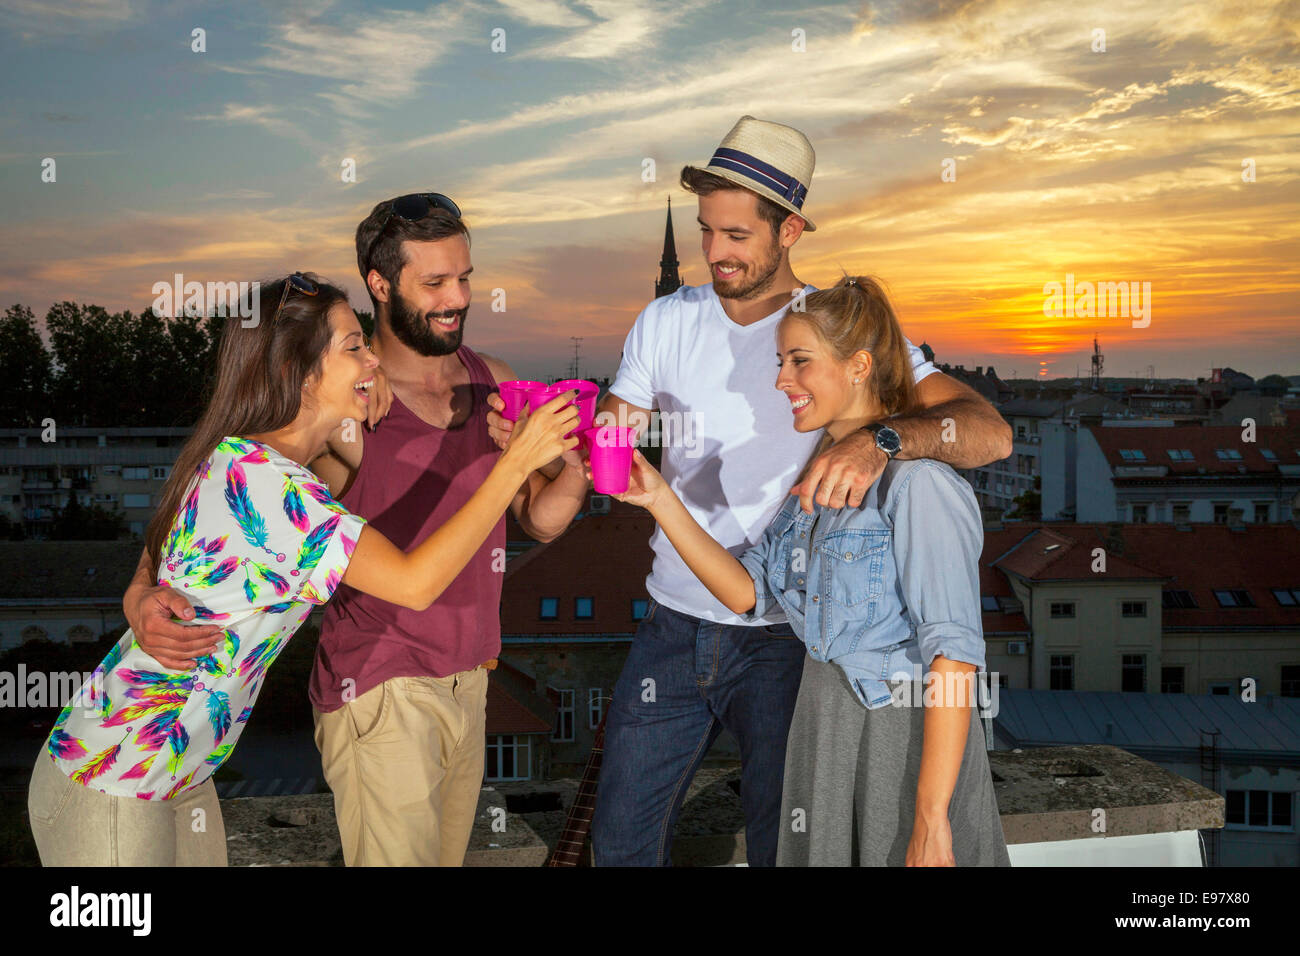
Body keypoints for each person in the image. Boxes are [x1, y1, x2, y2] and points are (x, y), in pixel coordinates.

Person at [489, 115, 1012, 866]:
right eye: (706, 231)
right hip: (674, 618)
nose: (715, 253)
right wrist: (535, 444)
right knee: (619, 839)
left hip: (791, 640)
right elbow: (600, 458)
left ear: (790, 228)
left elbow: (987, 432)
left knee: (787, 844)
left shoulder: (836, 328)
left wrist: (880, 440)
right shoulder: (666, 321)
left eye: (737, 235)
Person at [29, 273, 578, 866]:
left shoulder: (248, 457)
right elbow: (415, 583)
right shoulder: (270, 487)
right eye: (354, 347)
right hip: (113, 774)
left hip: (182, 775)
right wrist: (517, 458)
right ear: (300, 371)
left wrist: (139, 590)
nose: (375, 360)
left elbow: (172, 529)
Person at [614, 275, 1011, 866]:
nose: (781, 380)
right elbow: (747, 593)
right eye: (780, 362)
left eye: (799, 361)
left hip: (898, 744)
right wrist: (659, 500)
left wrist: (931, 820)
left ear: (859, 366)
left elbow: (954, 657)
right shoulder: (818, 486)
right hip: (821, 739)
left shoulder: (921, 484)